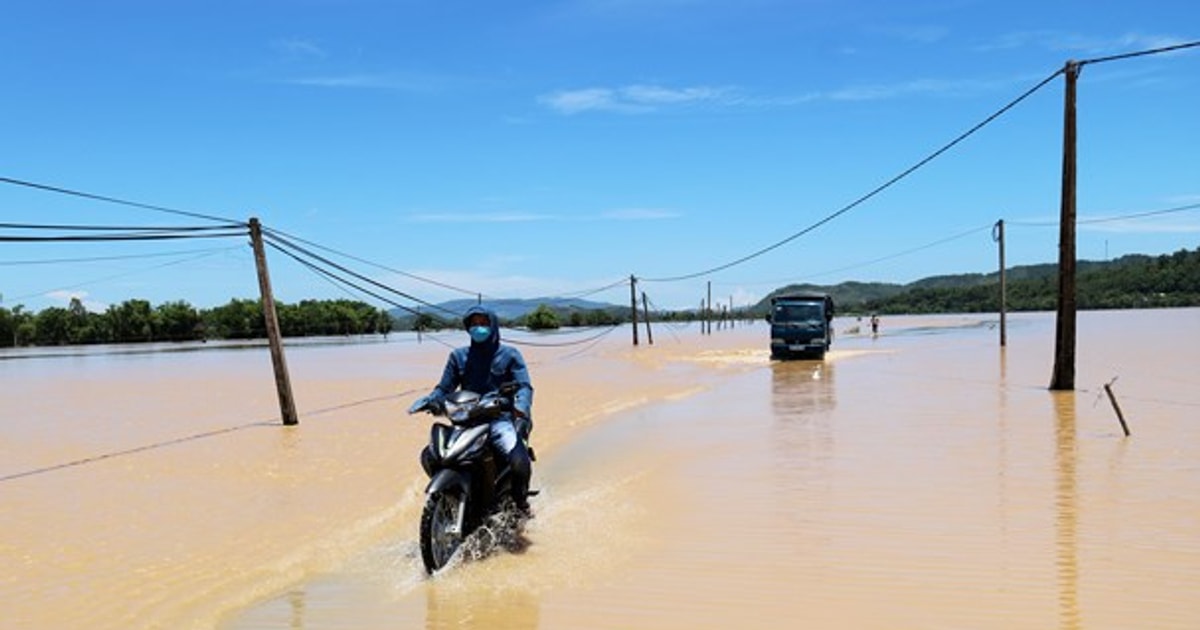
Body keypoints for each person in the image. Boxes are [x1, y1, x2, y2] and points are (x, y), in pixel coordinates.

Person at [411, 306, 535, 515]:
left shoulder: (510, 354)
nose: (479, 328)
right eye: (474, 324)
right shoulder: (458, 357)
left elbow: (524, 386)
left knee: (518, 463)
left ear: (493, 325)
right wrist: (431, 401)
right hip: (465, 419)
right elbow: (444, 388)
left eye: (483, 323)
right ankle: (454, 496)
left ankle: (521, 504)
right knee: (431, 455)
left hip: (499, 419)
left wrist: (520, 408)